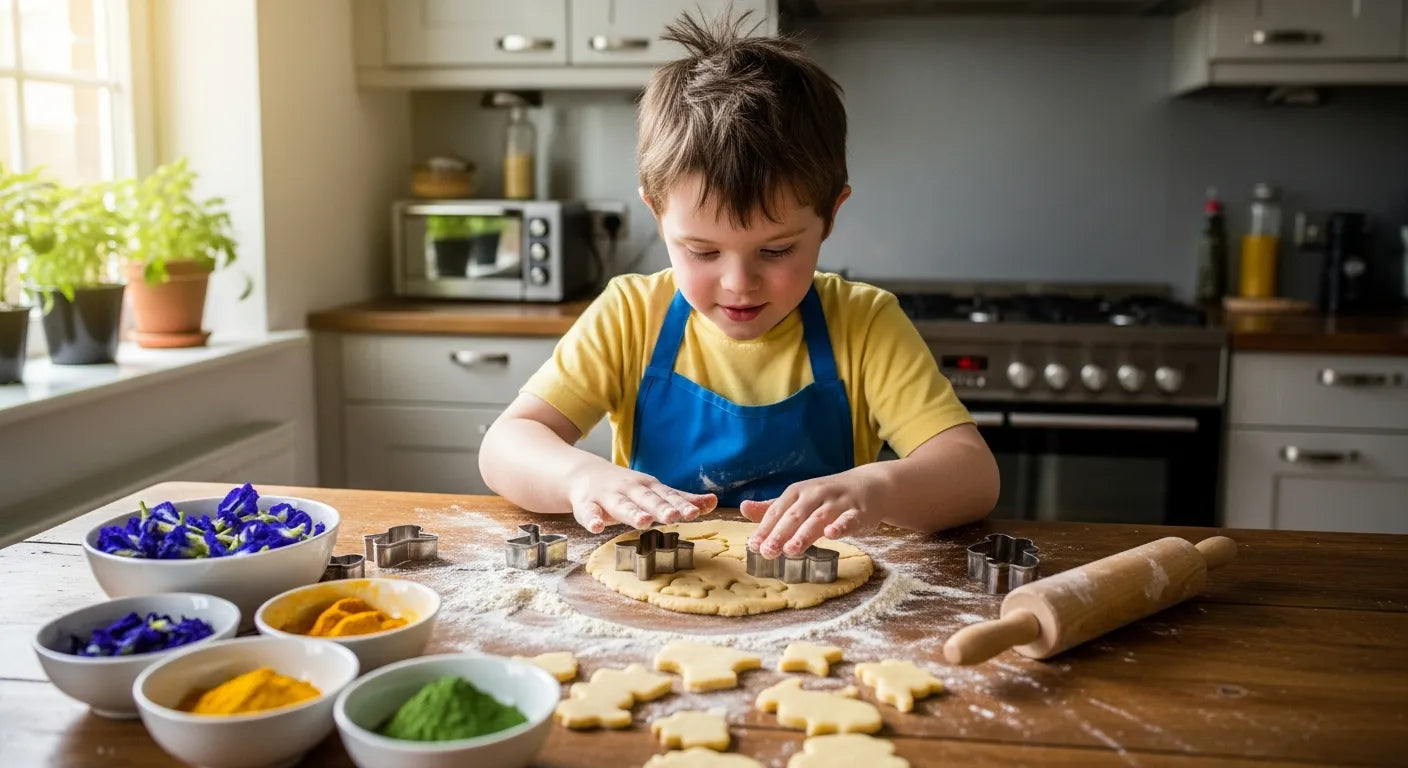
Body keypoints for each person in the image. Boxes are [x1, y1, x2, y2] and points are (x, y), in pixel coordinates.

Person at [479, 12, 999, 559]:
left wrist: (880, 487)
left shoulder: (864, 324)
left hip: (821, 589)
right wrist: (579, 477)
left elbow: (973, 476)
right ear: (658, 215)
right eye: (702, 252)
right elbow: (506, 445)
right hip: (658, 585)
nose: (739, 284)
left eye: (776, 251)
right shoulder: (630, 315)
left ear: (829, 216)